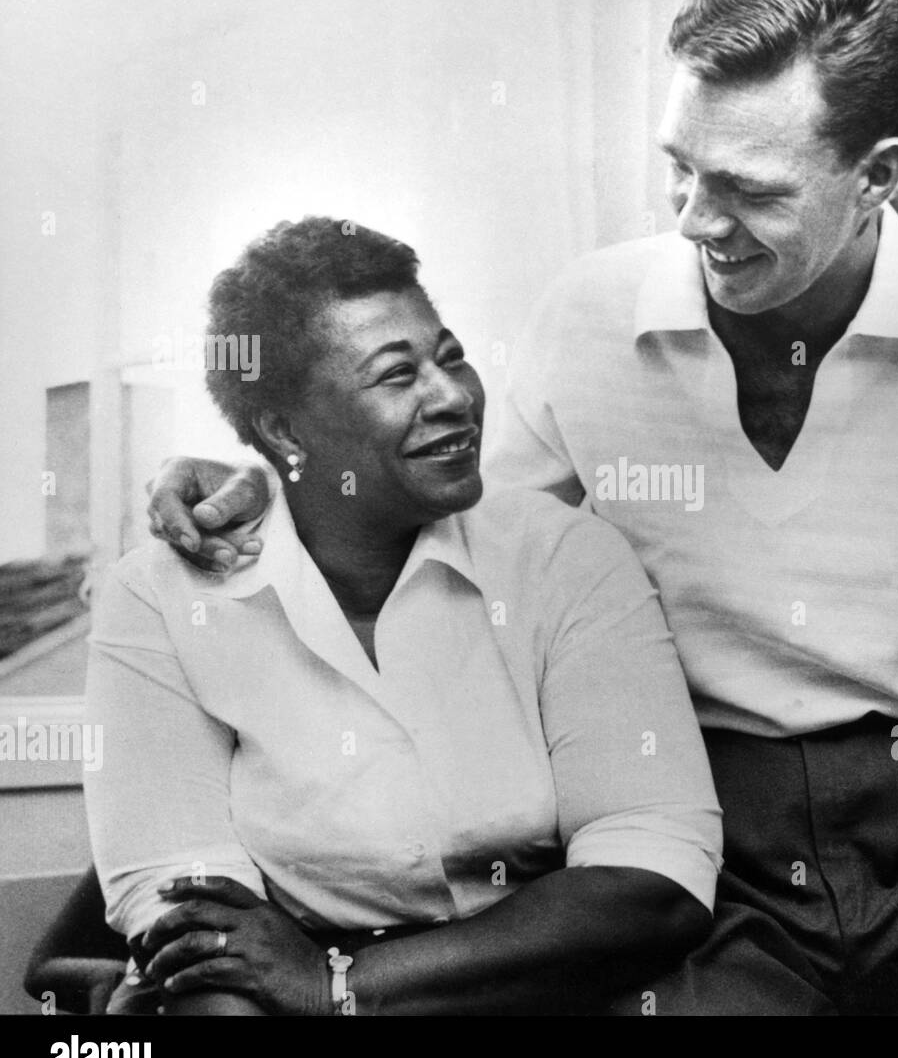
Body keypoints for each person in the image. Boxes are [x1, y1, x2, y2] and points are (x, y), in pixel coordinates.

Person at [147, 0, 898, 1015]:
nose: (697, 220)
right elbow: (452, 543)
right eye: (678, 170)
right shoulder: (590, 316)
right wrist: (282, 476)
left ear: (876, 176)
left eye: (748, 188)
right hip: (684, 850)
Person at [85, 216, 722, 1015]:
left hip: (545, 986)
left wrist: (343, 987)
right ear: (285, 430)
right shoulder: (162, 599)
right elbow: (196, 925)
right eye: (397, 376)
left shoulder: (565, 559)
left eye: (450, 357)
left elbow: (656, 881)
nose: (452, 397)